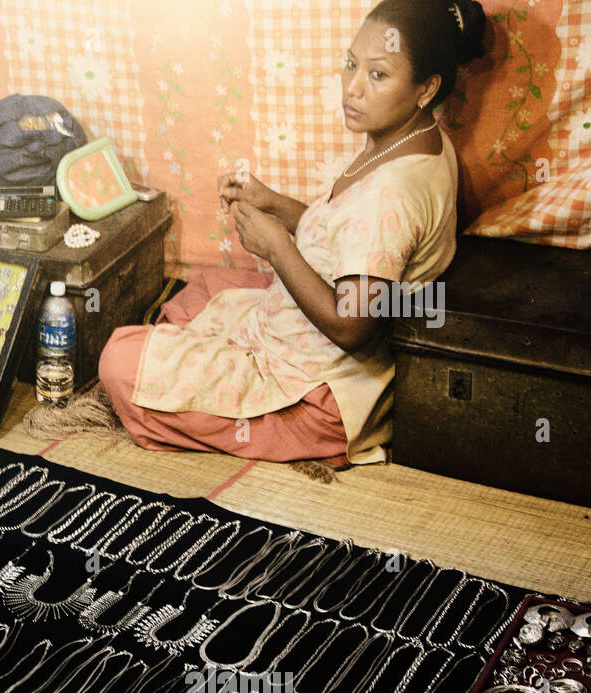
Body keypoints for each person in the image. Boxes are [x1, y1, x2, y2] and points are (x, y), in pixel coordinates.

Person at [97, 0, 489, 468]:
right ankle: (193, 369)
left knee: (118, 362)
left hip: (322, 394)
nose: (353, 89)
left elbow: (351, 326)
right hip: (316, 336)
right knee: (202, 290)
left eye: (378, 75)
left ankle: (272, 428)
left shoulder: (393, 192)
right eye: (351, 65)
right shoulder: (415, 137)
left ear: (426, 88)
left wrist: (277, 247)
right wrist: (274, 203)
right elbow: (350, 237)